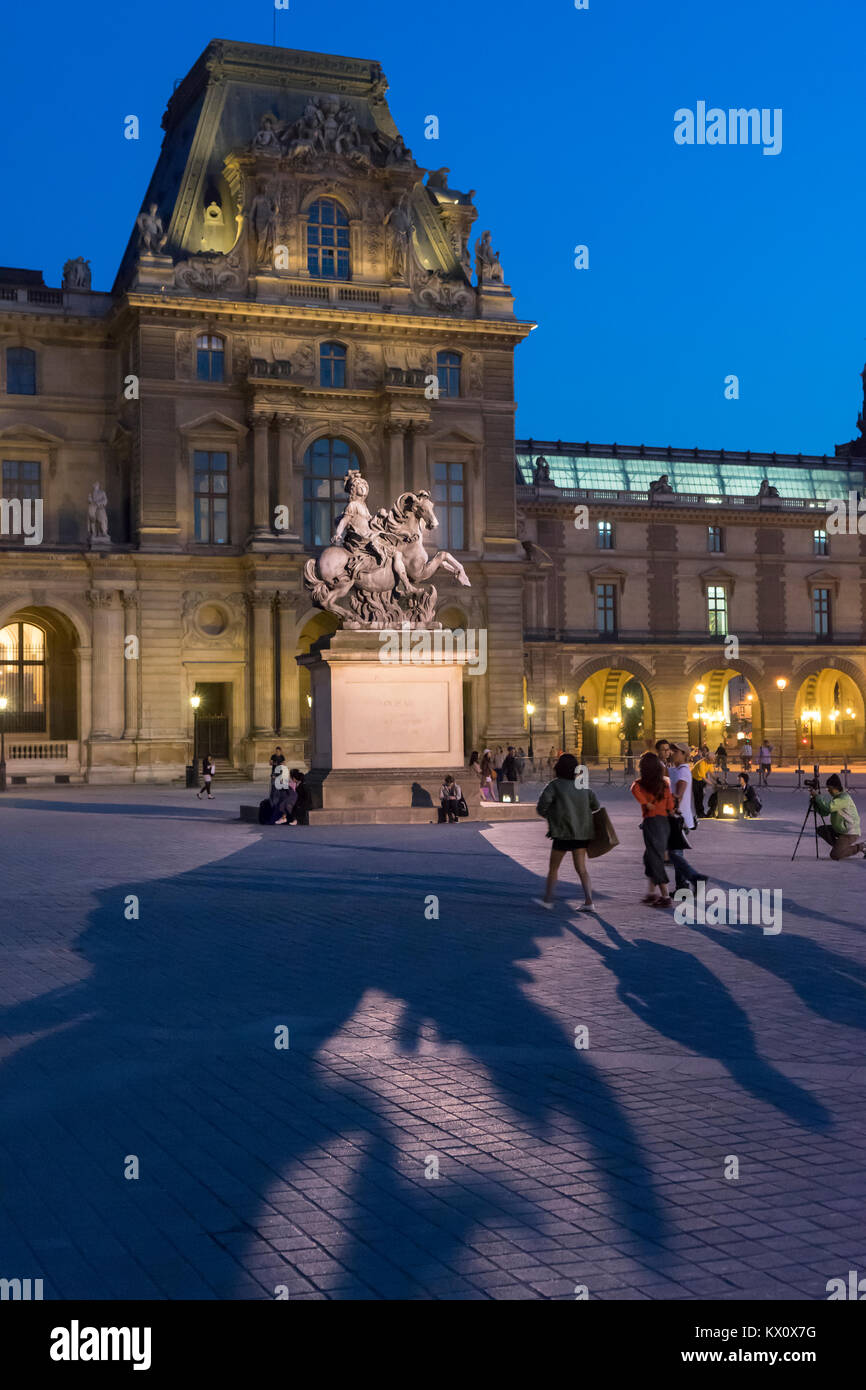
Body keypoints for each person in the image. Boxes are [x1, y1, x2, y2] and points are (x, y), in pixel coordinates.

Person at [534, 753, 599, 910]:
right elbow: (595, 805)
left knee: (554, 868)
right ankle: (589, 901)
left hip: (562, 833)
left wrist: (551, 815)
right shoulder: (582, 786)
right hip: (581, 834)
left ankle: (548, 900)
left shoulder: (554, 785)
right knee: (582, 869)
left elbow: (541, 806)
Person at [631, 752, 674, 908]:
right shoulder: (664, 784)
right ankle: (651, 893)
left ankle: (665, 895)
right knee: (650, 857)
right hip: (664, 823)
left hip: (651, 823)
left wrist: (645, 803)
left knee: (655, 858)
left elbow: (633, 788)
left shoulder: (641, 784)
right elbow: (670, 806)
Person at [667, 743, 705, 892]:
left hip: (678, 819)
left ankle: (693, 879)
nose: (672, 753)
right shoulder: (675, 769)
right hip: (678, 818)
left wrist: (671, 805)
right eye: (672, 750)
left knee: (675, 854)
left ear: (684, 754)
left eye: (675, 751)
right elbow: (663, 771)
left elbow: (679, 795)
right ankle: (683, 886)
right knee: (676, 854)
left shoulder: (683, 771)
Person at [813, 774, 865, 860]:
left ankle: (861, 846)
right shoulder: (836, 798)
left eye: (829, 788)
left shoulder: (844, 798)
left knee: (835, 855)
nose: (828, 791)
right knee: (821, 830)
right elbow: (825, 812)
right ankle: (840, 847)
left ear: (835, 787)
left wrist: (818, 797)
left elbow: (830, 807)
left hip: (849, 832)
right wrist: (815, 804)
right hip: (840, 829)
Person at [691, 748, 712, 818]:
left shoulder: (709, 763)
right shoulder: (701, 764)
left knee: (701, 796)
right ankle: (699, 813)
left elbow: (711, 773)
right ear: (708, 759)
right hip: (695, 780)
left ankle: (701, 812)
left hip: (701, 780)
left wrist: (717, 779)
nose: (713, 761)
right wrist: (713, 784)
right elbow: (704, 778)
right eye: (712, 760)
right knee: (698, 797)